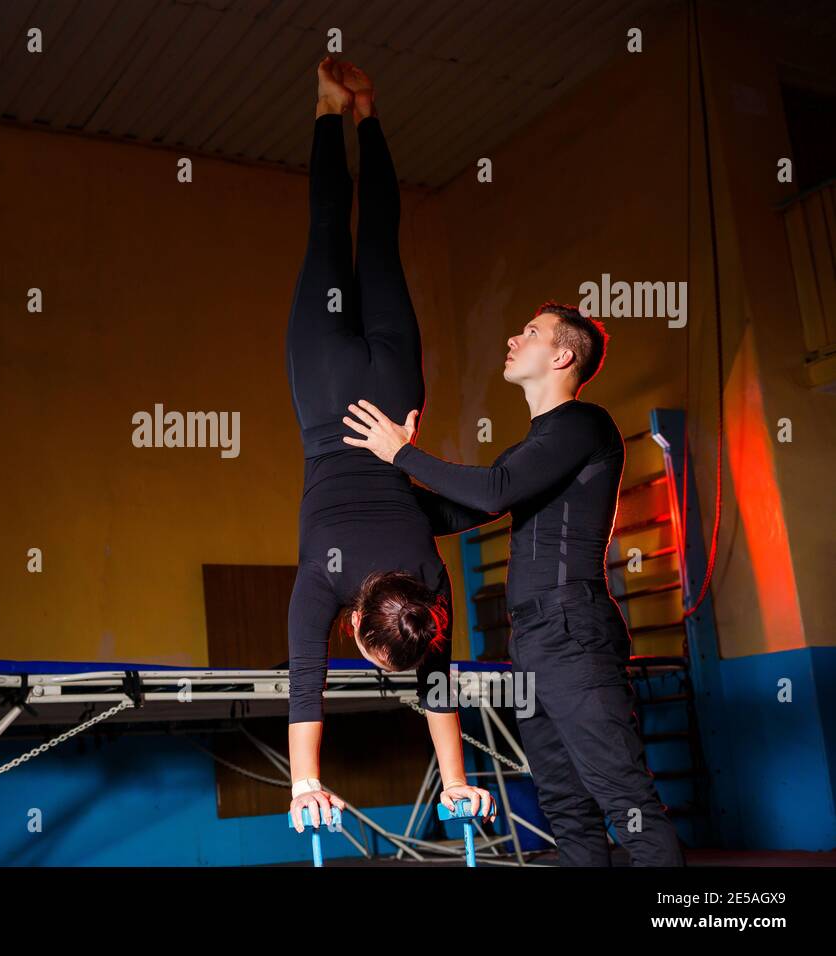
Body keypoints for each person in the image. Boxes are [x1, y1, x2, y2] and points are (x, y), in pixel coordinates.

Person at [343, 302, 686, 866]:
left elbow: (494, 491)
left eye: (529, 332)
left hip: (573, 628)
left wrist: (402, 452)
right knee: (564, 806)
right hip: (531, 638)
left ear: (561, 354)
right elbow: (456, 515)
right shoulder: (533, 449)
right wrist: (383, 481)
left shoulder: (584, 424)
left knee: (626, 802)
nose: (513, 337)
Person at [285, 56, 495, 834]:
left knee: (379, 239)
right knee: (325, 234)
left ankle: (366, 111)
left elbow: (438, 686)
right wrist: (305, 783)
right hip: (324, 386)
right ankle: (323, 106)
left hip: (394, 388)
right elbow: (305, 684)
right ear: (361, 635)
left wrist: (456, 781)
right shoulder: (322, 587)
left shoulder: (427, 599)